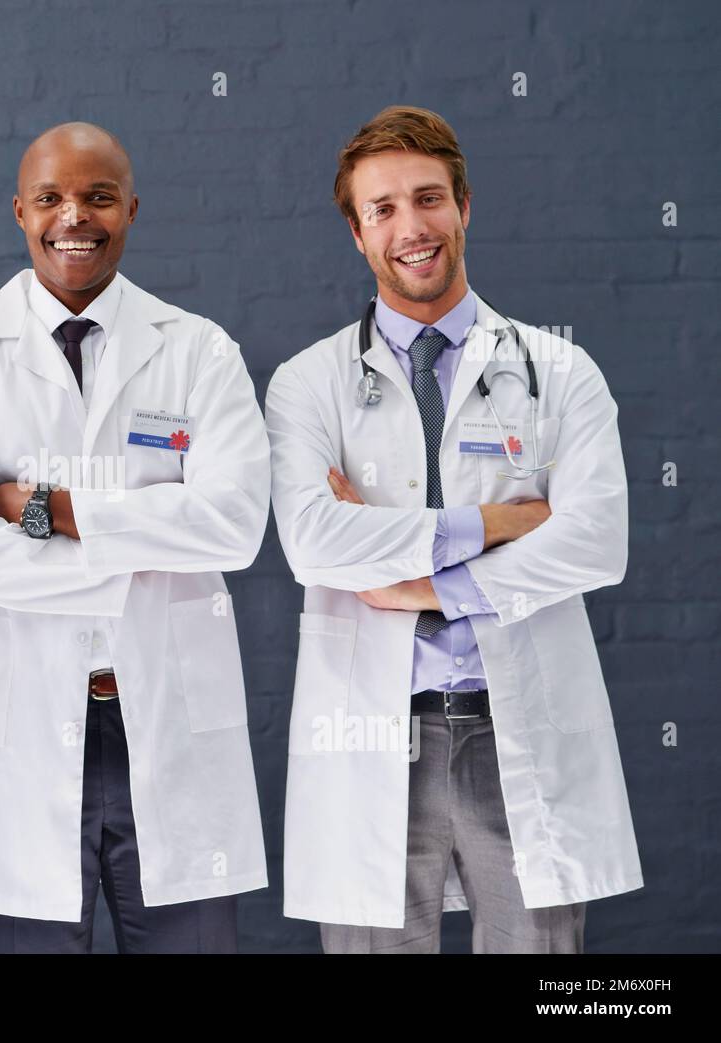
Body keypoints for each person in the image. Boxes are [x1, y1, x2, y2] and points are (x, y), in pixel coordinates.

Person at [266, 106, 642, 953]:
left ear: (465, 205)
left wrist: (423, 583)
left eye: (429, 198)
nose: (412, 227)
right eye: (384, 209)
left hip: (518, 726)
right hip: (371, 731)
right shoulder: (306, 384)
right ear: (357, 232)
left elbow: (596, 539)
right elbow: (313, 544)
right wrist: (501, 522)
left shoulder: (561, 373)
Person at [0, 122, 270, 953]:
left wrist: (50, 512)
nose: (76, 216)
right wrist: (145, 550)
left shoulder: (201, 351)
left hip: (168, 731)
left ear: (131, 208)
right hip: (19, 737)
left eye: (99, 196)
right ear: (20, 212)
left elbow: (237, 525)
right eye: (51, 198)